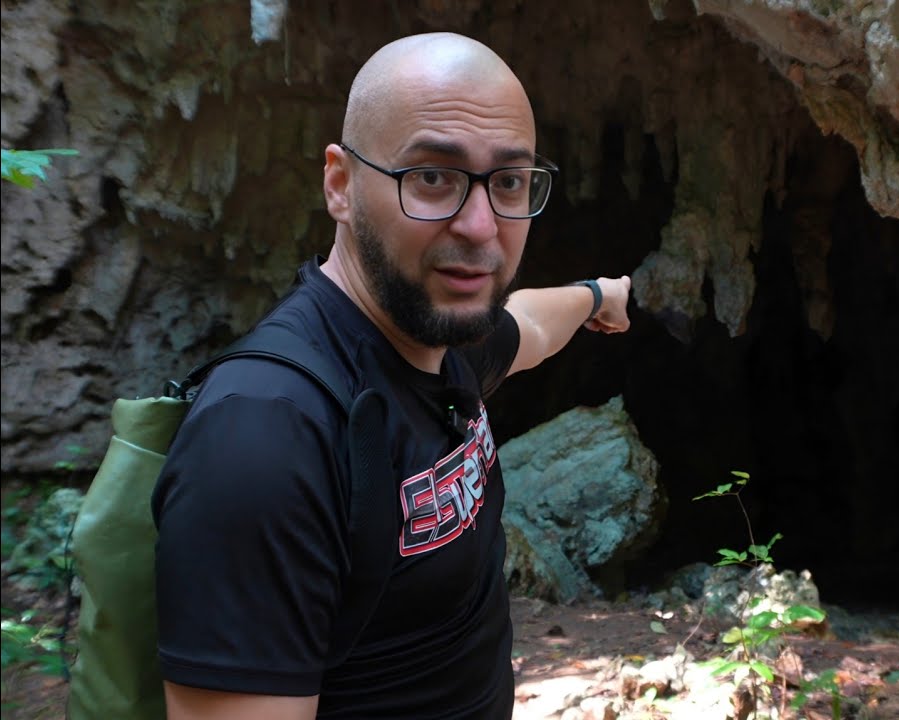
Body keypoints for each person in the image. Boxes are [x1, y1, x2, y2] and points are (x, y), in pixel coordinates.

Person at [150, 32, 631, 719]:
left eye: (509, 181)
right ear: (340, 185)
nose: (479, 226)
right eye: (433, 176)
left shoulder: (444, 335)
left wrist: (596, 296)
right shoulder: (265, 440)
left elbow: (530, 326)